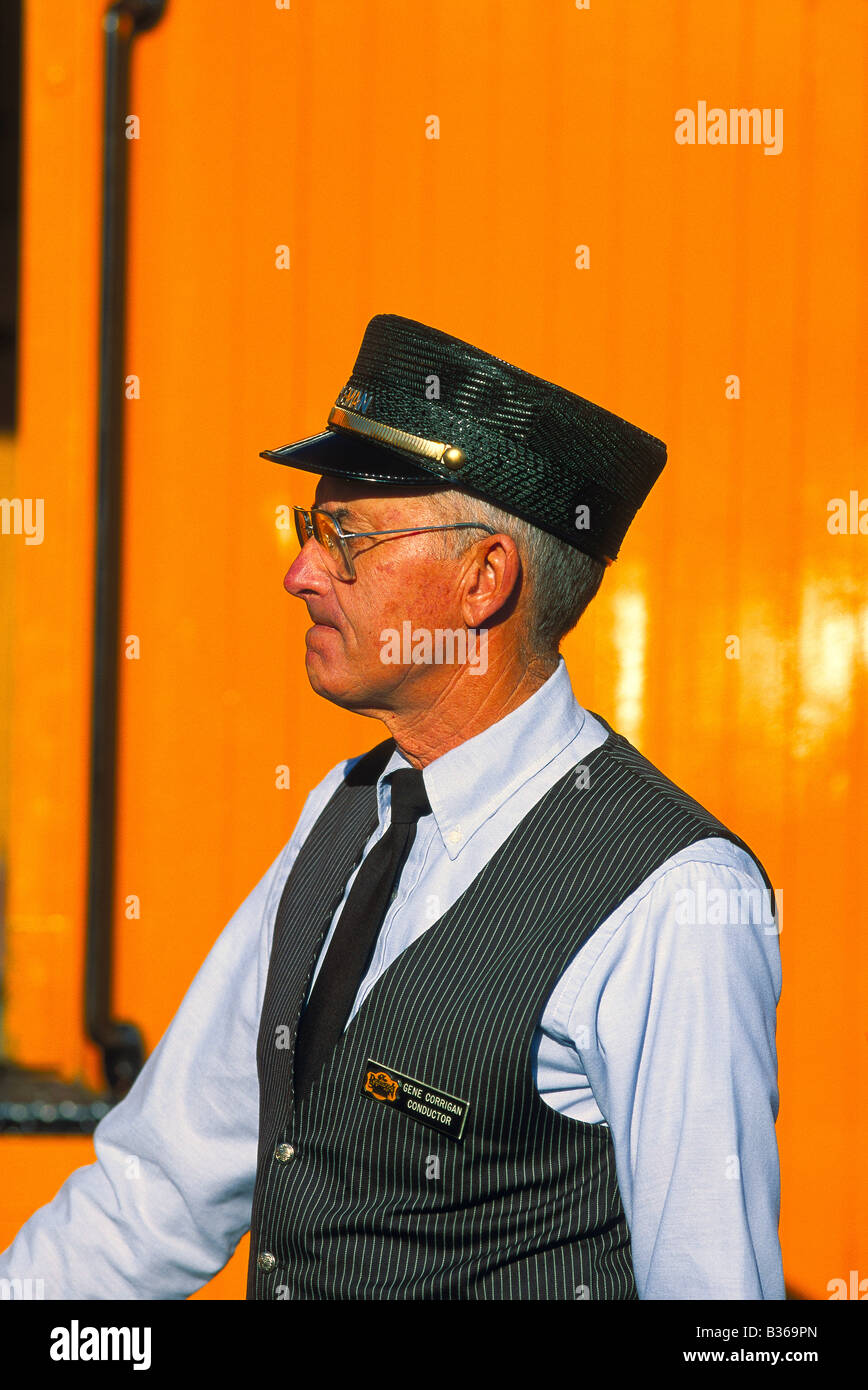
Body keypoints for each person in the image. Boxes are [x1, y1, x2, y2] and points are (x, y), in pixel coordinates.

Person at [0, 313, 784, 1300]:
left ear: (483, 579)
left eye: (347, 539)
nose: (299, 574)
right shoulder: (345, 811)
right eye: (308, 529)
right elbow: (157, 1192)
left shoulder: (672, 896)